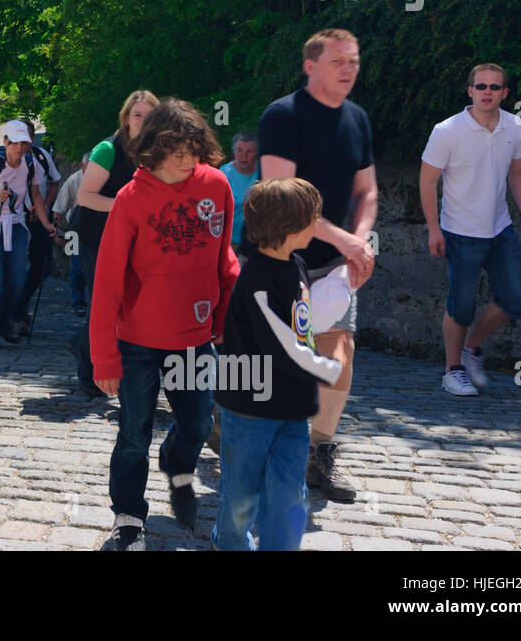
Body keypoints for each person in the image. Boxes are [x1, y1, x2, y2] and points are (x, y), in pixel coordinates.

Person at [91, 99, 239, 550]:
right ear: (152, 147)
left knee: (197, 424)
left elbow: (225, 260)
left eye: (193, 145)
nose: (184, 155)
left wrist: (225, 320)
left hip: (194, 336)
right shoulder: (130, 200)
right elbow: (107, 282)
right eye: (174, 146)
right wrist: (104, 356)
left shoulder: (217, 185)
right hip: (136, 341)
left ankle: (175, 466)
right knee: (133, 431)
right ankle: (129, 516)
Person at [255, 28, 376, 503]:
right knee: (275, 359)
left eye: (354, 60)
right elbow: (280, 195)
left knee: (337, 354)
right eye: (338, 61)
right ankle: (236, 421)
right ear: (311, 66)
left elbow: (366, 190)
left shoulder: (359, 120)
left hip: (335, 264)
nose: (348, 69)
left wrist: (358, 243)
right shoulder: (283, 116)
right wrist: (348, 240)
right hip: (281, 257)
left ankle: (319, 453)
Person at [212, 178, 343, 551]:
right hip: (249, 407)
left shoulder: (297, 263)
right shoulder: (255, 279)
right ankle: (229, 545)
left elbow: (300, 328)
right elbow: (282, 348)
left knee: (289, 492)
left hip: (292, 407)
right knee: (241, 493)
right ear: (291, 227)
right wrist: (326, 369)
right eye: (313, 218)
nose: (318, 224)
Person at [420, 63, 521, 397]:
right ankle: (452, 370)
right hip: (459, 230)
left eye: (495, 87)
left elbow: (518, 174)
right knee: (461, 306)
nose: (488, 92)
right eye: (481, 86)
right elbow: (428, 181)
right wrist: (434, 229)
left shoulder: (515, 126)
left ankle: (472, 349)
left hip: (500, 228)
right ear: (469, 91)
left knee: (513, 297)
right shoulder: (446, 131)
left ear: (504, 93)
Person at [73, 90, 159, 392]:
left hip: (133, 240)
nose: (143, 120)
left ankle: (112, 363)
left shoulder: (156, 150)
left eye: (149, 116)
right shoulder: (107, 149)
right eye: (137, 115)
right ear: (126, 118)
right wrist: (126, 207)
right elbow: (85, 196)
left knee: (127, 306)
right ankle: (89, 373)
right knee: (102, 305)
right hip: (96, 237)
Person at [0, 120, 56, 347]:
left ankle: (6, 324)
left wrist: (46, 224)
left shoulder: (30, 164)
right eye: (15, 143)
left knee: (17, 281)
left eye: (24, 143)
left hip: (17, 225)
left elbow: (37, 196)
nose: (20, 148)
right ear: (5, 142)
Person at [11, 119, 62, 336]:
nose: (26, 142)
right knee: (17, 269)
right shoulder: (5, 158)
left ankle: (21, 304)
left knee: (41, 268)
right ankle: (16, 314)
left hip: (38, 219)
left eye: (29, 137)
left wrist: (46, 207)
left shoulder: (41, 156)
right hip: (15, 220)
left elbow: (54, 181)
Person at [53, 153, 90, 316]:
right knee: (76, 269)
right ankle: (78, 303)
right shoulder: (74, 180)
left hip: (100, 230)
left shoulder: (105, 179)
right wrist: (58, 232)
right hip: (76, 229)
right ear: (82, 166)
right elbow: (58, 210)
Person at [220, 132, 260, 252]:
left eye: (249, 151)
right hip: (232, 243)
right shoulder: (224, 174)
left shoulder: (264, 170)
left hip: (259, 241)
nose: (244, 155)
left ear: (257, 153)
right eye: (239, 150)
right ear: (233, 151)